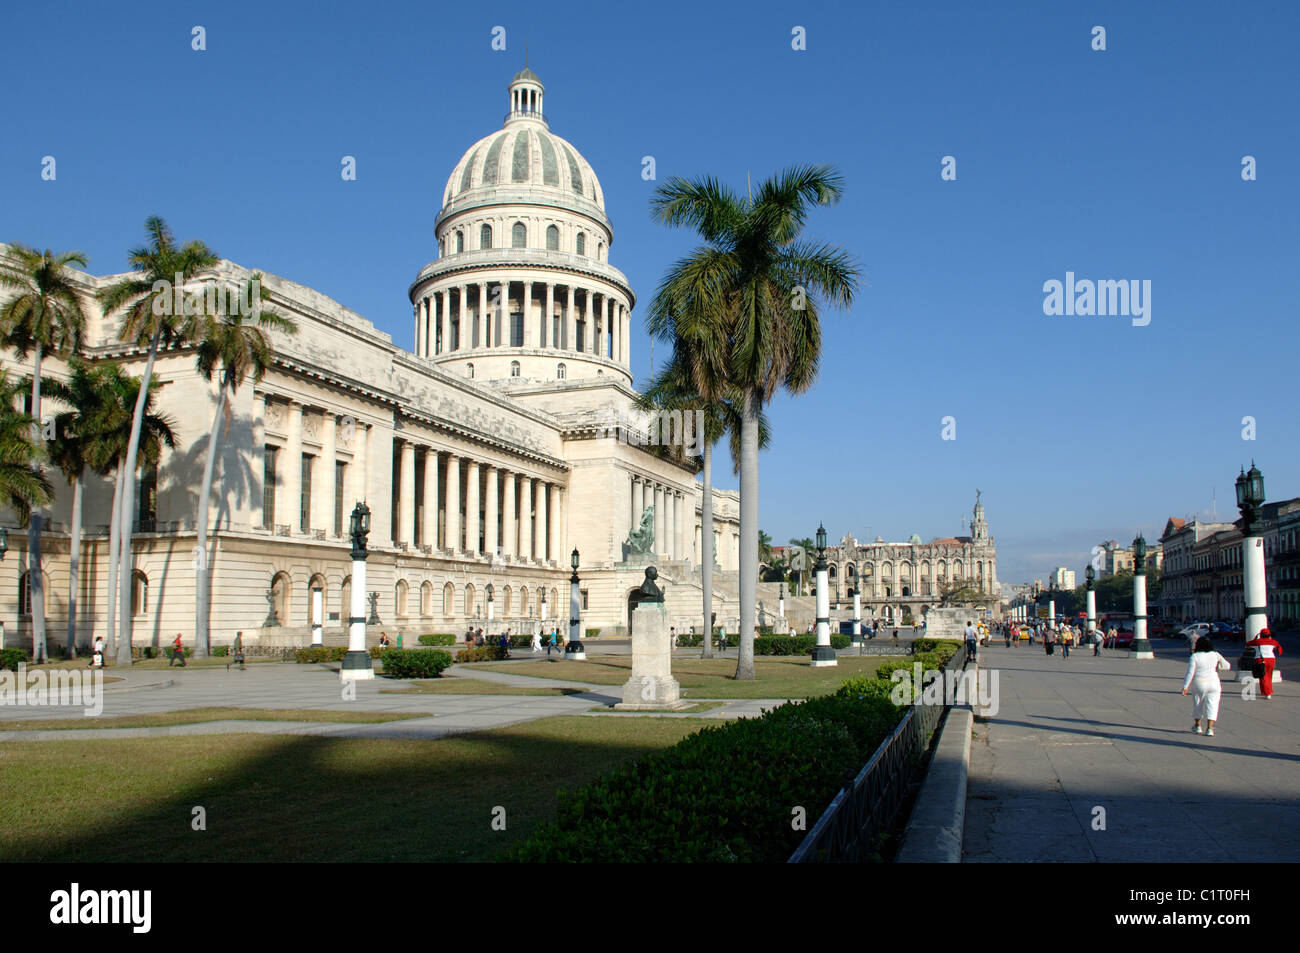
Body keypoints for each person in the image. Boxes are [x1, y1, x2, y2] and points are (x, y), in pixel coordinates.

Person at [1182, 636, 1230, 735]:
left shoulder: (1195, 656)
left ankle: (1198, 726)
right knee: (1213, 705)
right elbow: (1227, 666)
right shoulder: (1215, 654)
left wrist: (1185, 686)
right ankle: (1209, 729)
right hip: (1214, 683)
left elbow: (1190, 672)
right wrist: (1218, 666)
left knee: (1197, 704)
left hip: (1199, 683)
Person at [1245, 628, 1284, 699]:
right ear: (1269, 635)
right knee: (1269, 675)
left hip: (1260, 659)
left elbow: (1247, 644)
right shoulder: (1273, 642)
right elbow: (1279, 648)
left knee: (1263, 676)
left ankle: (1267, 693)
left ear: (1261, 635)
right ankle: (1269, 690)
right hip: (1271, 659)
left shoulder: (1257, 642)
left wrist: (1255, 638)